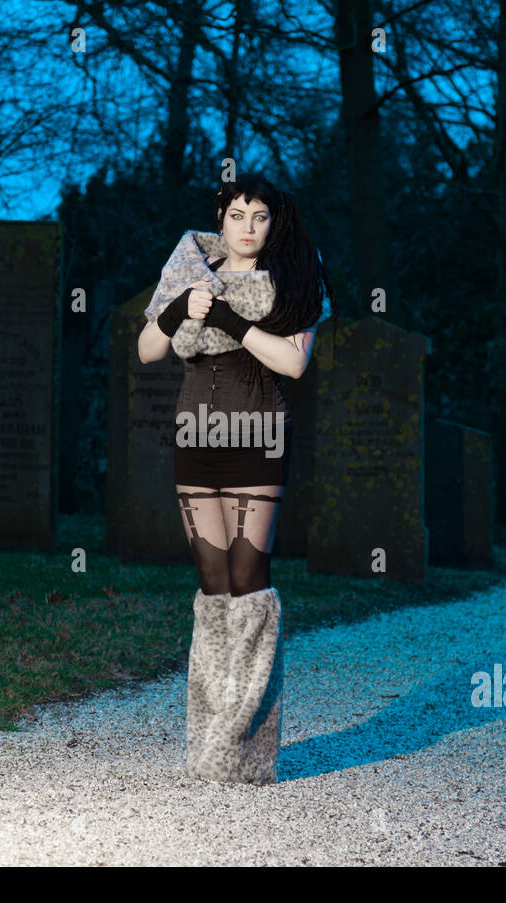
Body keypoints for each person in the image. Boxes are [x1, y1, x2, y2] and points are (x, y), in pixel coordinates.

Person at [137, 174, 332, 784]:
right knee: (213, 584)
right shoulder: (187, 271)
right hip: (196, 436)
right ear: (220, 217)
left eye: (261, 217)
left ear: (276, 223)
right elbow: (147, 351)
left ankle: (245, 749)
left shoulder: (294, 276)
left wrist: (229, 317)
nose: (248, 227)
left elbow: (294, 363)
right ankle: (209, 741)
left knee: (250, 582)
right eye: (237, 214)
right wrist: (177, 310)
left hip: (259, 436)